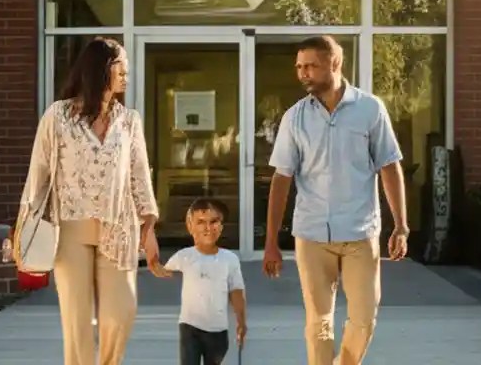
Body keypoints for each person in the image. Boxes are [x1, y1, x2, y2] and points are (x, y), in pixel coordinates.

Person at [18, 37, 165, 365]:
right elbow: (38, 176)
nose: (127, 72)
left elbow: (140, 176)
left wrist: (149, 227)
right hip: (68, 233)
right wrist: (23, 228)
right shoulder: (57, 117)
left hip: (119, 230)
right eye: (121, 65)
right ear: (102, 68)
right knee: (77, 324)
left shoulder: (130, 121)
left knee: (121, 314)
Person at [262, 35, 408, 365]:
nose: (303, 73)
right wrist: (271, 241)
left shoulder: (370, 109)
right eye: (299, 67)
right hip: (311, 235)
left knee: (364, 319)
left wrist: (401, 225)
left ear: (335, 63)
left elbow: (389, 166)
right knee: (318, 322)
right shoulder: (294, 118)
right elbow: (281, 179)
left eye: (311, 66)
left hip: (360, 233)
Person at [158, 198, 248, 365]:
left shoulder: (230, 259)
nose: (208, 228)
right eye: (201, 222)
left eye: (214, 221)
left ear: (221, 226)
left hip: (218, 330)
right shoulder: (184, 256)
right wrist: (150, 258)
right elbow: (163, 271)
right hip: (190, 326)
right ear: (190, 226)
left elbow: (236, 291)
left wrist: (241, 322)